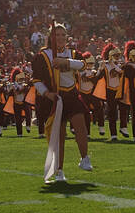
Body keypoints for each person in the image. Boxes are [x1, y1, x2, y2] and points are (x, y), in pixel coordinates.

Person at [32, 22, 92, 183]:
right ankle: (59, 170)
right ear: (50, 37)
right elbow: (36, 80)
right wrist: (47, 94)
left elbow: (83, 65)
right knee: (59, 136)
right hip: (56, 98)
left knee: (80, 124)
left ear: (67, 37)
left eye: (62, 35)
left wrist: (66, 62)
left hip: (72, 94)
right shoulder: (43, 55)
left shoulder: (72, 52)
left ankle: (84, 158)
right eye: (56, 35)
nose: (59, 38)